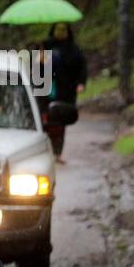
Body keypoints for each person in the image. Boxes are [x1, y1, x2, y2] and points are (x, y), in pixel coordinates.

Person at [44, 22, 86, 163]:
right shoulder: (45, 46)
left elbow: (81, 67)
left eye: (63, 30)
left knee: (61, 123)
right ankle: (47, 151)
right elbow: (35, 68)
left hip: (66, 92)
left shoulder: (74, 49)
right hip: (47, 90)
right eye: (58, 30)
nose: (61, 32)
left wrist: (81, 83)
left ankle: (57, 152)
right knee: (46, 122)